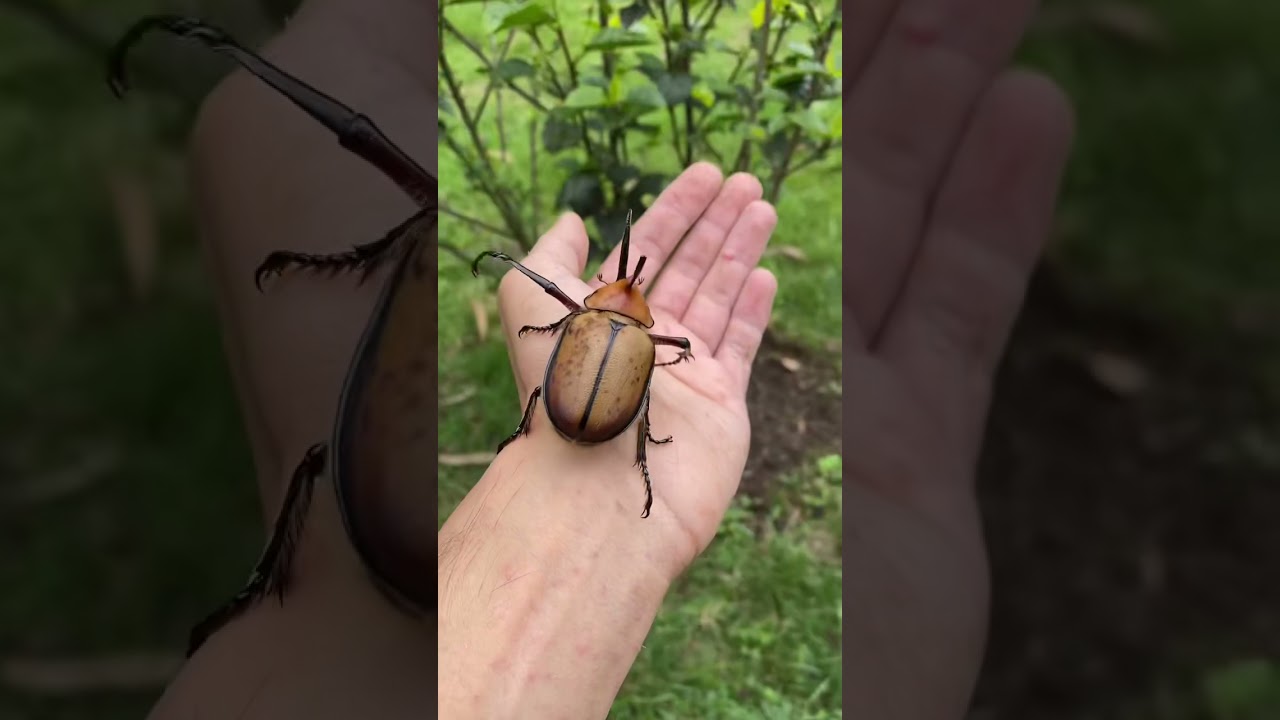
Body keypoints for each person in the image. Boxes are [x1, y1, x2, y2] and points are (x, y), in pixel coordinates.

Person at [146, 0, 1074, 718]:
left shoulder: (560, 307)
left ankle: (279, 606)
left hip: (438, 486)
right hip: (496, 453)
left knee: (331, 447)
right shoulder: (610, 329)